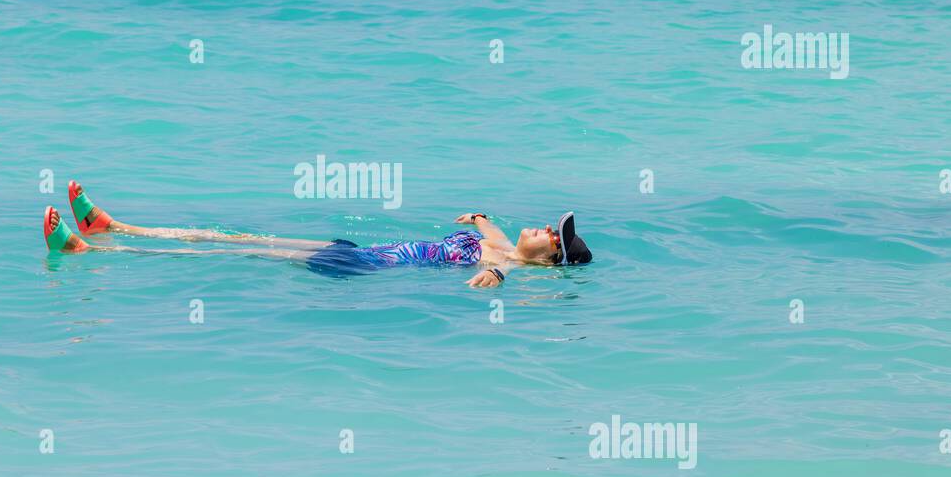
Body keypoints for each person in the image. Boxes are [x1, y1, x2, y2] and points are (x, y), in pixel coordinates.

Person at [43, 181, 591, 288]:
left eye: (551, 236)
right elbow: (481, 218)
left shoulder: (510, 264)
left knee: (249, 255)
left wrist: (491, 275)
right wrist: (472, 216)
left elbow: (490, 273)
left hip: (367, 268)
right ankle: (115, 226)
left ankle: (90, 250)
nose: (544, 228)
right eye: (549, 224)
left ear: (547, 260)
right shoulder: (499, 238)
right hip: (363, 253)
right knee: (237, 240)